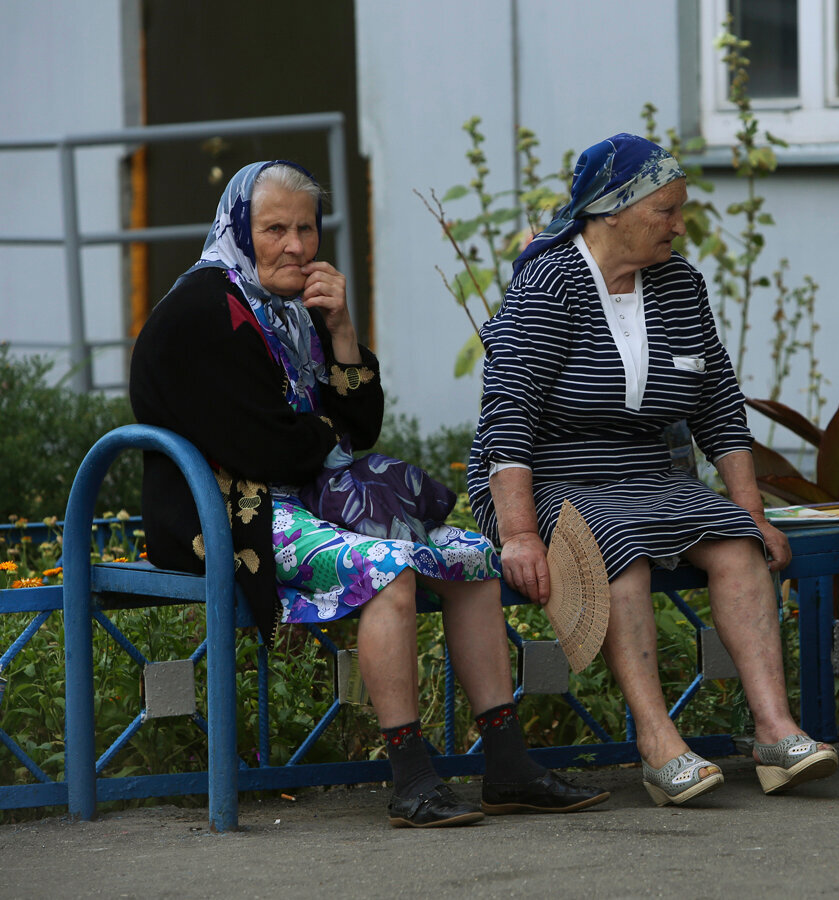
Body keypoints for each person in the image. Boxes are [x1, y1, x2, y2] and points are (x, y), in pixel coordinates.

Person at [129, 160, 607, 827]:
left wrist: (344, 332)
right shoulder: (202, 311)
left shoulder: (298, 312)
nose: (297, 246)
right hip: (231, 514)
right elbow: (266, 449)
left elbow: (357, 430)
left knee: (472, 556)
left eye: (306, 228)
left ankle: (507, 765)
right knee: (389, 572)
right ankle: (411, 779)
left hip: (310, 502)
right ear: (239, 227)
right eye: (275, 229)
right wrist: (320, 434)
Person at [467, 133, 838, 807]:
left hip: (647, 474)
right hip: (549, 478)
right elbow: (507, 416)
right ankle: (657, 743)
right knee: (620, 551)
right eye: (666, 210)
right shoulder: (548, 284)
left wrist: (751, 510)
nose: (679, 224)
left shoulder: (679, 284)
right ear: (613, 211)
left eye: (680, 210)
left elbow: (719, 403)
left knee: (735, 542)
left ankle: (776, 734)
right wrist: (518, 533)